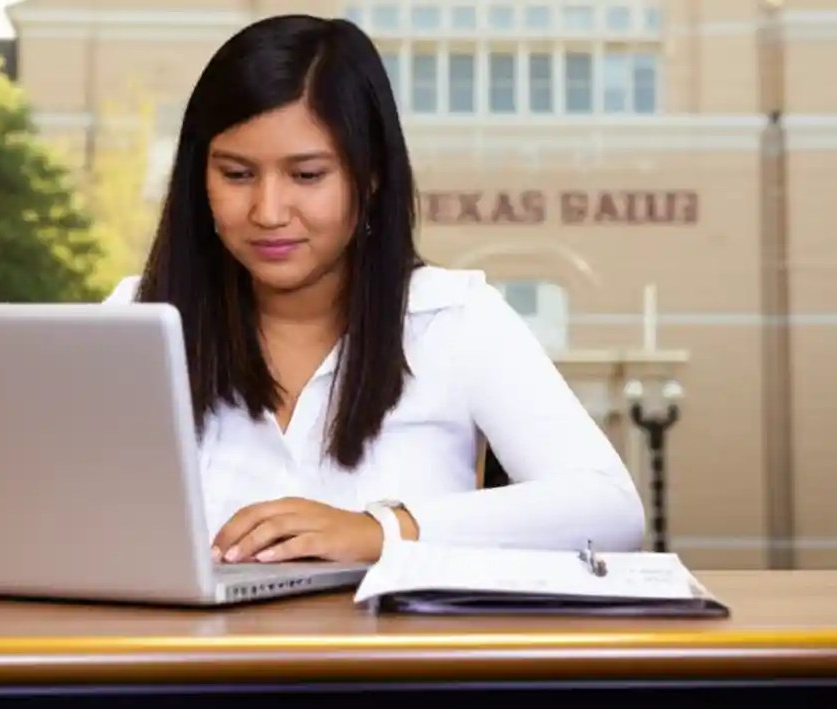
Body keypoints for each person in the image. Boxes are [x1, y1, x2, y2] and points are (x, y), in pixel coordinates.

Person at [105, 14, 645, 565]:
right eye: (237, 175)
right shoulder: (134, 321)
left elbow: (611, 512)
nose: (267, 212)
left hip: (392, 650)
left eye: (307, 175)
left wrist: (384, 531)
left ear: (370, 175)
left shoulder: (453, 318)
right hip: (185, 651)